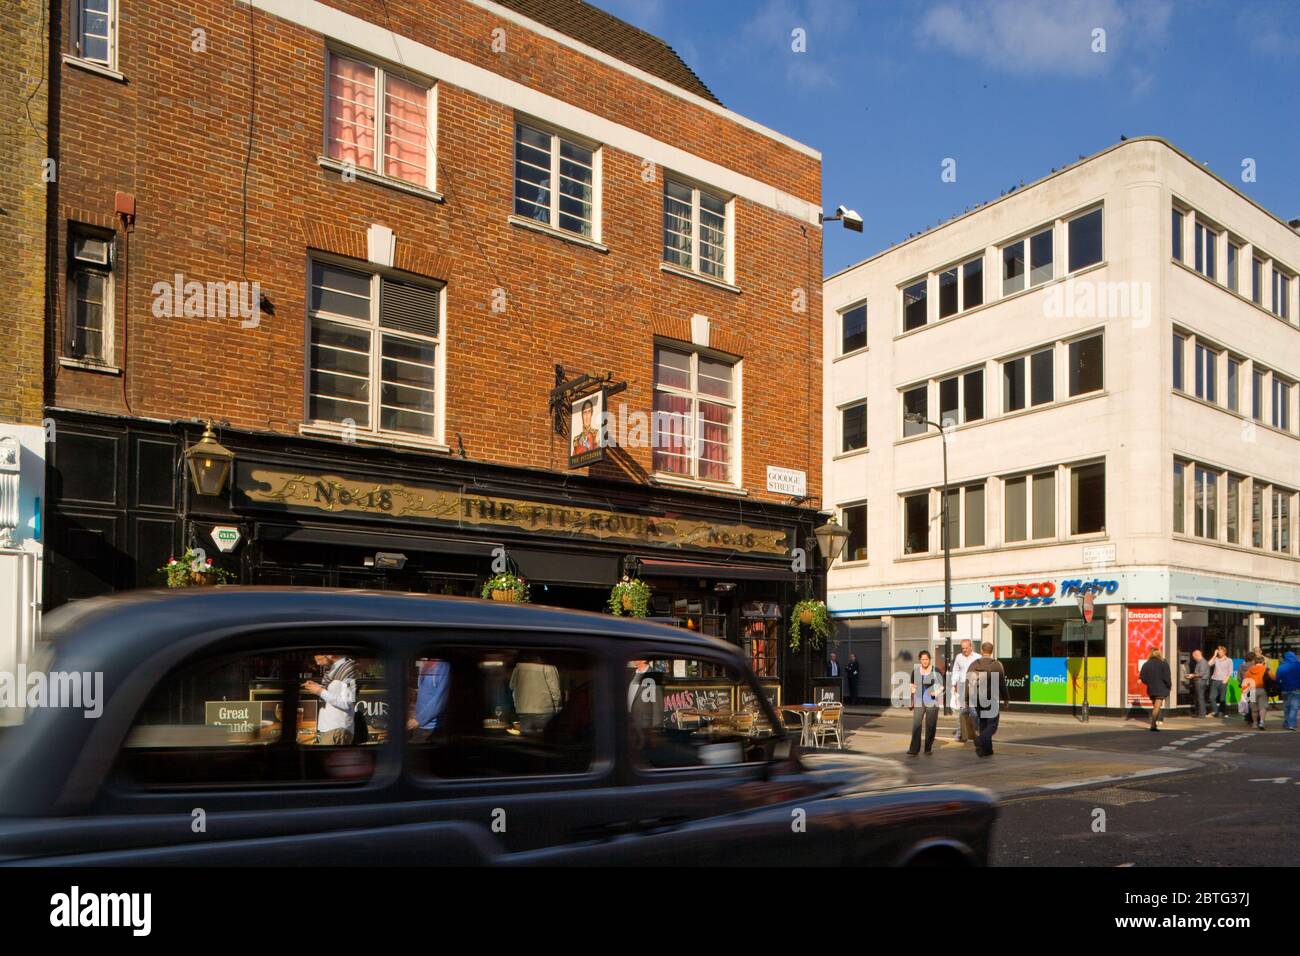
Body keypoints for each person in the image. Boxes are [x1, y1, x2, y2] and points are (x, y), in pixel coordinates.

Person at [303, 653, 357, 745]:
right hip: (329, 728)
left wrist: (320, 691)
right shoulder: (334, 669)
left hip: (337, 729)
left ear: (328, 654)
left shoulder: (348, 669)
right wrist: (318, 687)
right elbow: (335, 691)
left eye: (319, 659)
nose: (318, 663)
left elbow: (347, 703)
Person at [966, 642, 1008, 757]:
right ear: (992, 651)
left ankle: (987, 750)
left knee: (983, 724)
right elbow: (1002, 684)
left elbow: (967, 683)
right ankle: (980, 740)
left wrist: (966, 699)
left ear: (981, 651)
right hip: (992, 699)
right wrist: (1006, 699)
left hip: (978, 699)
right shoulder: (997, 665)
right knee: (992, 725)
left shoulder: (974, 664)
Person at [509, 656, 562, 733]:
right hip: (544, 710)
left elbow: (512, 686)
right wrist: (557, 709)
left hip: (524, 711)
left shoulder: (518, 668)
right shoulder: (548, 667)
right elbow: (555, 691)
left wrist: (517, 705)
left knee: (526, 740)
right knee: (543, 739)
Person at [406, 657, 450, 742]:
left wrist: (418, 720)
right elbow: (425, 690)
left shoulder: (444, 666)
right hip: (421, 725)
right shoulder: (426, 665)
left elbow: (440, 699)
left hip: (432, 729)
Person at [906, 651, 940, 756]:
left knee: (931, 725)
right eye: (922, 659)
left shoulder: (935, 671)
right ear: (920, 660)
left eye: (926, 659)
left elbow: (942, 686)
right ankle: (914, 749)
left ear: (929, 659)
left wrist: (937, 692)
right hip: (919, 701)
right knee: (916, 724)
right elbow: (911, 684)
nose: (924, 661)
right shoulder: (915, 671)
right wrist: (912, 688)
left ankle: (928, 748)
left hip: (931, 701)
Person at [950, 638, 980, 743]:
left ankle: (976, 733)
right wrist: (953, 685)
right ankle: (961, 734)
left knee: (974, 711)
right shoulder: (959, 657)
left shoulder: (978, 657)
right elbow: (956, 671)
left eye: (966, 648)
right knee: (962, 711)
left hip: (974, 686)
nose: (964, 650)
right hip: (962, 686)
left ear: (971, 647)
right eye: (963, 648)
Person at [1138, 649, 1171, 731]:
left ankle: (1156, 721)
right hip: (1161, 688)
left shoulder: (1146, 664)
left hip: (1151, 688)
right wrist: (1169, 686)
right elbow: (1167, 677)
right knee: (1157, 706)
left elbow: (1143, 677)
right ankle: (1153, 725)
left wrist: (1149, 683)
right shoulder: (1164, 663)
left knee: (1155, 706)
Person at [1240, 653, 1273, 730]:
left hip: (1252, 690)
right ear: (1263, 662)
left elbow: (1245, 681)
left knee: (1254, 709)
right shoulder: (1266, 669)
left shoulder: (1249, 670)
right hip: (1263, 690)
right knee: (1263, 707)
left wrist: (1244, 692)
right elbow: (1273, 678)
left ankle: (1254, 723)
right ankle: (1261, 721)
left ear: (1254, 662)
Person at [1207, 645, 1233, 718]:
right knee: (1212, 697)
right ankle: (1215, 711)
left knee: (1222, 698)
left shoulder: (1229, 660)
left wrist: (1226, 679)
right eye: (1218, 652)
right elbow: (1208, 664)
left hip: (1223, 681)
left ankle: (1222, 712)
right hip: (1214, 680)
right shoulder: (1216, 659)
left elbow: (1230, 671)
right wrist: (1214, 655)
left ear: (1224, 652)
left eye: (1220, 652)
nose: (1219, 653)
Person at [1277, 651, 1300, 731]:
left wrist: (1280, 686)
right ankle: (1291, 724)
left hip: (1285, 689)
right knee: (1294, 708)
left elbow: (1277, 679)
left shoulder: (1281, 666)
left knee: (1286, 707)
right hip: (1297, 690)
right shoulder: (1298, 665)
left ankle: (1286, 723)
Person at [1187, 648, 1210, 718]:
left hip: (1201, 681)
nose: (1194, 658)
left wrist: (1192, 675)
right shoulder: (1200, 662)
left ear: (1197, 655)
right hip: (1199, 681)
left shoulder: (1202, 662)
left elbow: (1201, 673)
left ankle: (1202, 714)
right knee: (1198, 697)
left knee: (1200, 697)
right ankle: (1199, 712)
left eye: (1194, 657)